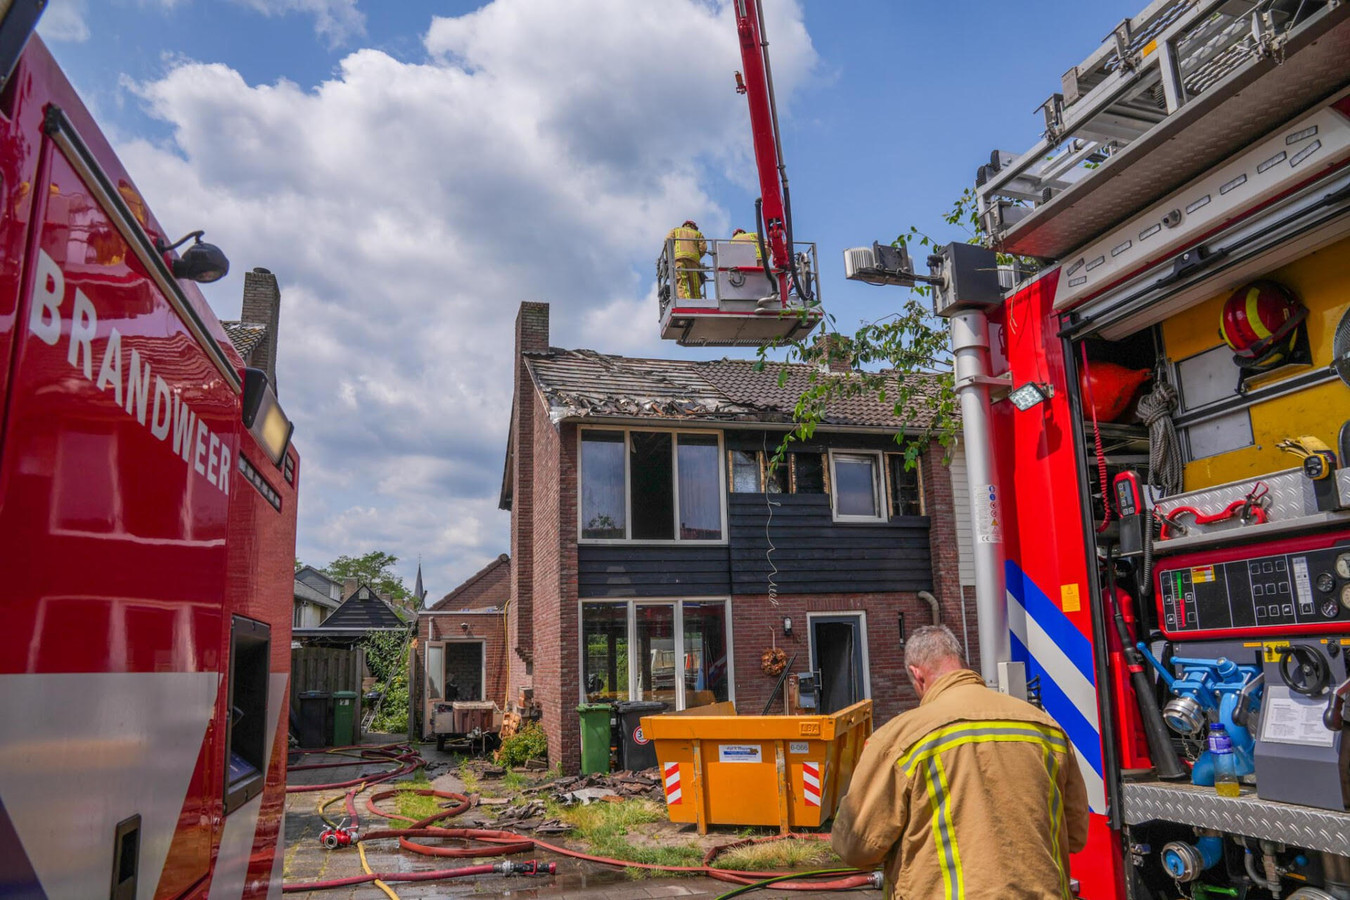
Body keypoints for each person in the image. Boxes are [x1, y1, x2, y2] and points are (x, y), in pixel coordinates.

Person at [832, 625, 1089, 900]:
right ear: (961, 662)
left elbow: (856, 846)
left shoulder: (900, 739)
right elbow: (1075, 834)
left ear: (917, 675)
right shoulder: (1046, 729)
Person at [666, 219, 707, 300]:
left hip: (679, 260)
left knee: (682, 282)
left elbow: (668, 241)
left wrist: (669, 258)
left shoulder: (676, 230)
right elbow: (703, 248)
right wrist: (697, 257)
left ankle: (685, 301)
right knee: (695, 283)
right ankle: (697, 302)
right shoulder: (698, 234)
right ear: (693, 227)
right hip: (693, 261)